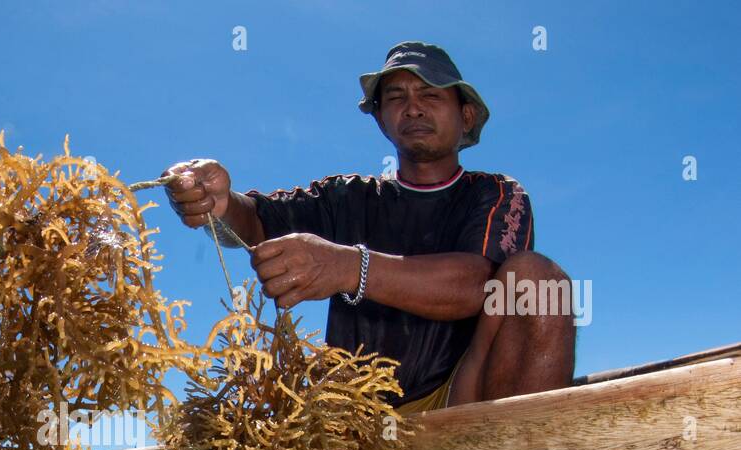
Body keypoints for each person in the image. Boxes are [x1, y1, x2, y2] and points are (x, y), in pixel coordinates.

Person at [163, 40, 576, 411]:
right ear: (380, 118)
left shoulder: (494, 194)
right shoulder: (347, 197)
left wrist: (346, 267)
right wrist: (217, 204)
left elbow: (475, 285)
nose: (413, 107)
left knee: (538, 281)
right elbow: (251, 220)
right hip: (356, 418)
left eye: (430, 95)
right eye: (396, 97)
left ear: (466, 116)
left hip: (458, 400)